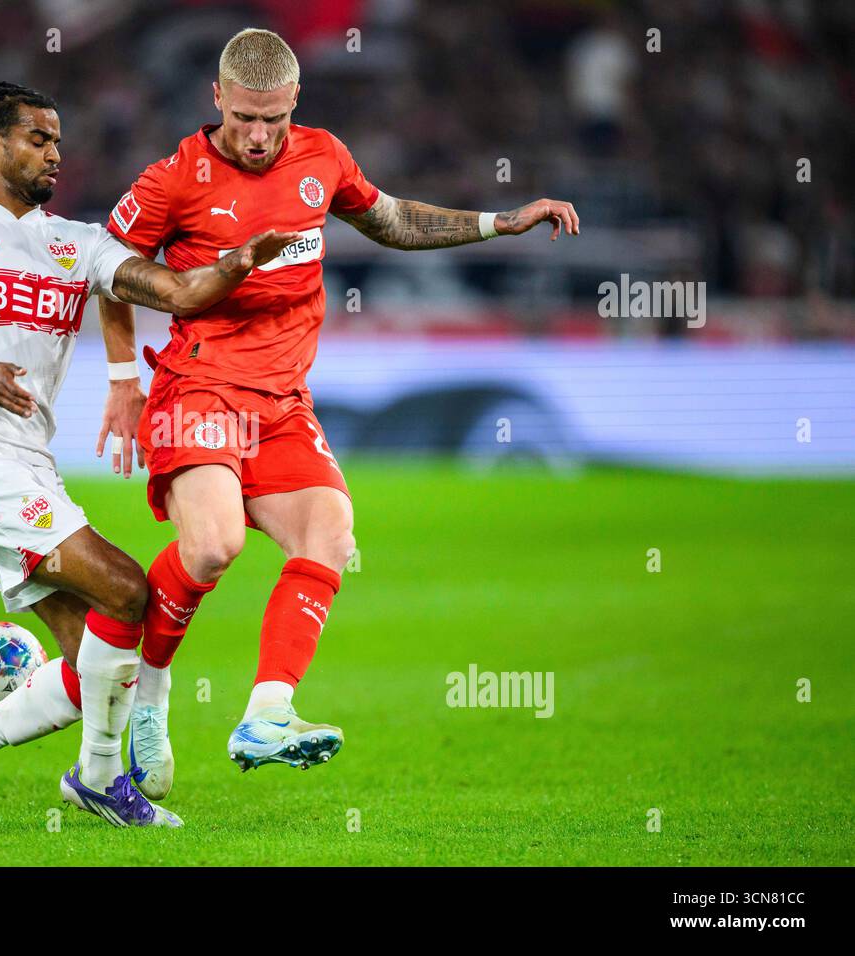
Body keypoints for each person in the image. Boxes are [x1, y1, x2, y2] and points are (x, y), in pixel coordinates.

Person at [104, 29, 580, 799]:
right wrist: (124, 377)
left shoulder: (322, 155)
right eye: (245, 119)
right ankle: (150, 690)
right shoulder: (173, 179)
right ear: (217, 98)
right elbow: (108, 269)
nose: (259, 138)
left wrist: (500, 221)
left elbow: (389, 219)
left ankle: (266, 713)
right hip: (200, 387)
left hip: (285, 402)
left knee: (331, 533)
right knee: (216, 546)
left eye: (273, 120)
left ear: (295, 102)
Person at [0, 82, 296, 827]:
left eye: (59, 141)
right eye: (39, 138)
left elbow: (176, 289)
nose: (55, 154)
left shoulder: (78, 242)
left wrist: (234, 265)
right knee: (128, 588)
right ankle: (99, 783)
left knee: (95, 672)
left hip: (29, 463)